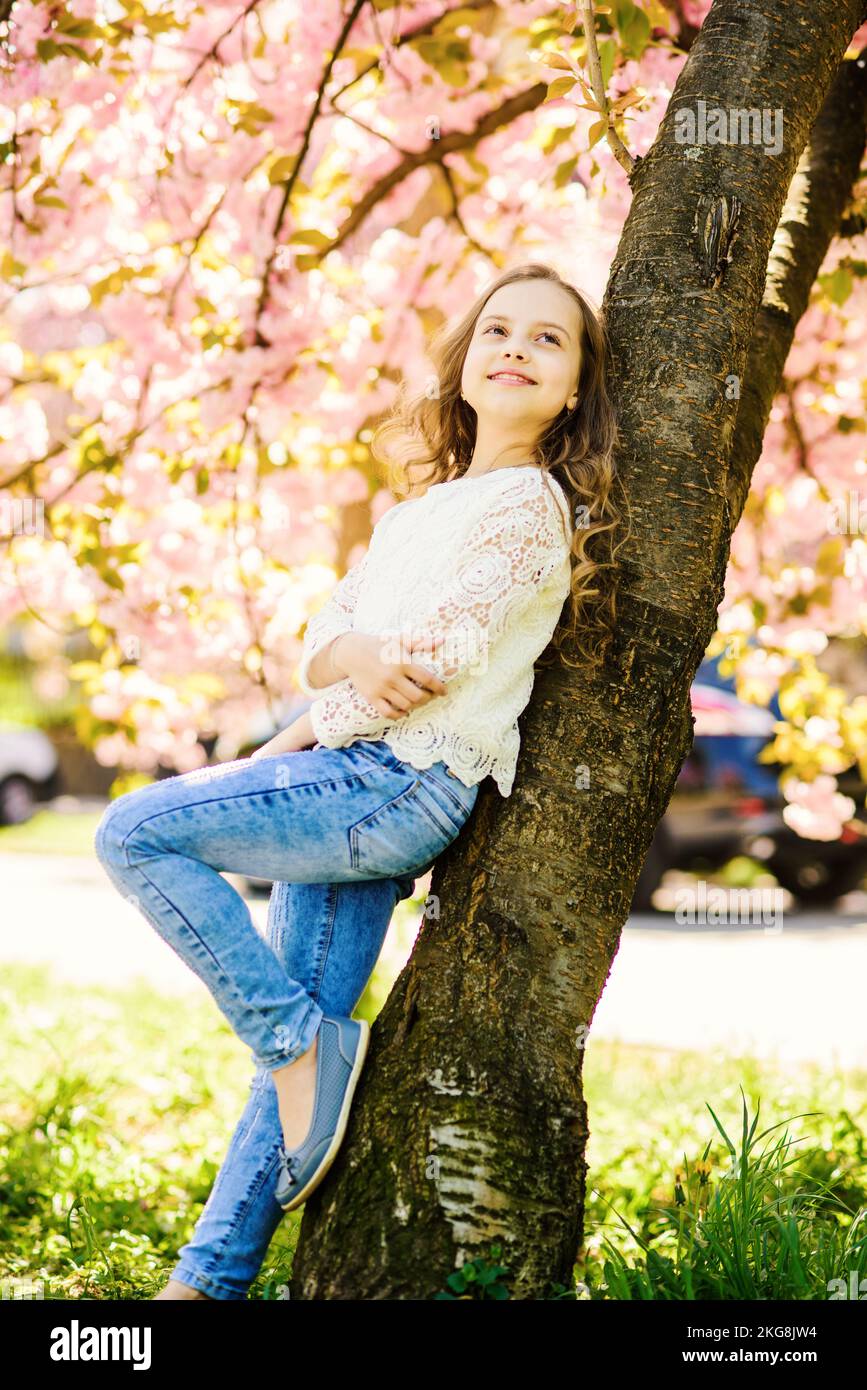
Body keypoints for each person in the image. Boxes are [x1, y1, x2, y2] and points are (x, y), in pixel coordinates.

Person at [93, 261, 629, 1300]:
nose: (515, 347)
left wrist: (332, 700)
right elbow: (327, 637)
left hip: (396, 785)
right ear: (466, 363)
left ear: (574, 393)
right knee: (296, 1062)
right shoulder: (414, 514)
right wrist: (316, 705)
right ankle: (204, 1285)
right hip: (352, 771)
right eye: (498, 331)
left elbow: (428, 663)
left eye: (548, 340)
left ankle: (300, 1046)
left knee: (133, 835)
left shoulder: (528, 509)